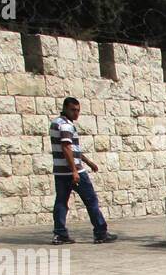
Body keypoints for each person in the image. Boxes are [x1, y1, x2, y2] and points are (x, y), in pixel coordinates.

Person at [50, 97, 117, 245]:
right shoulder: (66, 125)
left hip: (60, 172)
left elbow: (72, 149)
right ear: (65, 108)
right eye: (73, 110)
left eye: (78, 110)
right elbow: (66, 148)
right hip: (74, 173)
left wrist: (88, 161)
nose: (76, 113)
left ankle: (60, 234)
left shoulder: (56, 122)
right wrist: (74, 171)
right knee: (91, 200)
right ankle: (100, 232)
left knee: (61, 202)